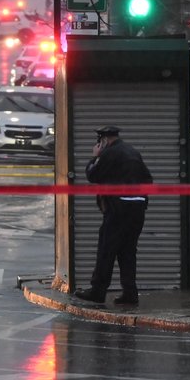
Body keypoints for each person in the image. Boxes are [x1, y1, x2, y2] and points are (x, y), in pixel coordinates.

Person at [74, 126, 153, 306]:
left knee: (106, 250)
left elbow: (92, 175)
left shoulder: (109, 154)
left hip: (118, 210)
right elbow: (148, 179)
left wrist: (95, 157)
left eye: (99, 141)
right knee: (127, 252)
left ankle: (97, 291)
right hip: (137, 210)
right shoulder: (133, 152)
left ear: (104, 140)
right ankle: (130, 293)